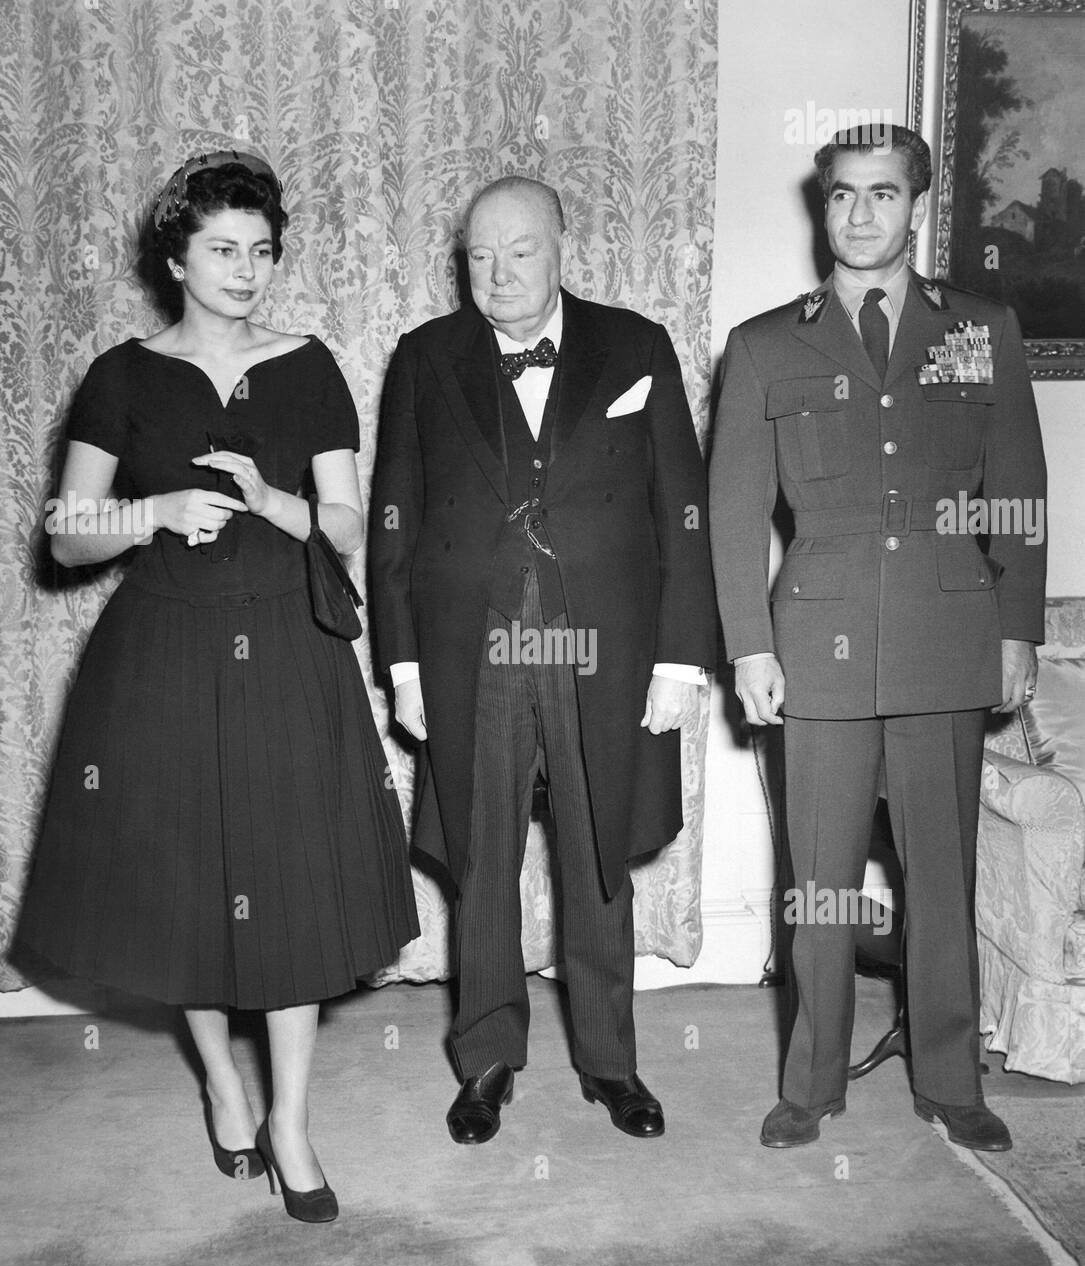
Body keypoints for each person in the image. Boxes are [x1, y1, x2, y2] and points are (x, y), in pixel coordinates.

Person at [18, 151, 419, 1221]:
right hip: (161, 658)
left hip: (287, 652)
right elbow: (64, 534)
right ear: (176, 257)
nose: (248, 270)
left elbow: (345, 528)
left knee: (285, 885)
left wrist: (273, 499)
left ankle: (290, 1119)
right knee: (187, 890)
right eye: (224, 250)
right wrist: (150, 515)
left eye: (263, 250)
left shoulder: (310, 364)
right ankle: (225, 1087)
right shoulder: (122, 374)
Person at [709, 125, 1047, 1152]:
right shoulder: (767, 342)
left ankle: (949, 1078)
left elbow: (1015, 494)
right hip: (816, 645)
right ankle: (809, 1081)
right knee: (818, 876)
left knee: (938, 869)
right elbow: (730, 512)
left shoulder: (978, 328)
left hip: (948, 633)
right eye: (841, 195)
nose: (859, 215)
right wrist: (747, 647)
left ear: (916, 207)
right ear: (823, 208)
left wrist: (1017, 631)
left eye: (882, 194)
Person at [370, 175, 715, 1144]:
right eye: (478, 255)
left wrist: (680, 660)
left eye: (518, 250)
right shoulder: (422, 359)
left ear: (561, 244)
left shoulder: (636, 345)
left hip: (600, 652)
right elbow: (392, 518)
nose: (497, 274)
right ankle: (483, 1058)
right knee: (480, 855)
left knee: (597, 853)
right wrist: (402, 667)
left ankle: (610, 1062)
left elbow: (679, 516)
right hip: (470, 653)